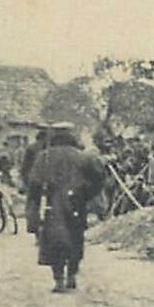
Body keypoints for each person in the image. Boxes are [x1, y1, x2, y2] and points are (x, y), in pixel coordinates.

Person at [25, 123, 106, 292]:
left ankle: (59, 278)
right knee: (76, 238)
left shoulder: (44, 157)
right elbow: (98, 179)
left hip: (52, 203)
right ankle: (72, 274)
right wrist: (86, 195)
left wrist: (33, 207)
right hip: (76, 203)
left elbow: (33, 184)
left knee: (54, 241)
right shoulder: (83, 156)